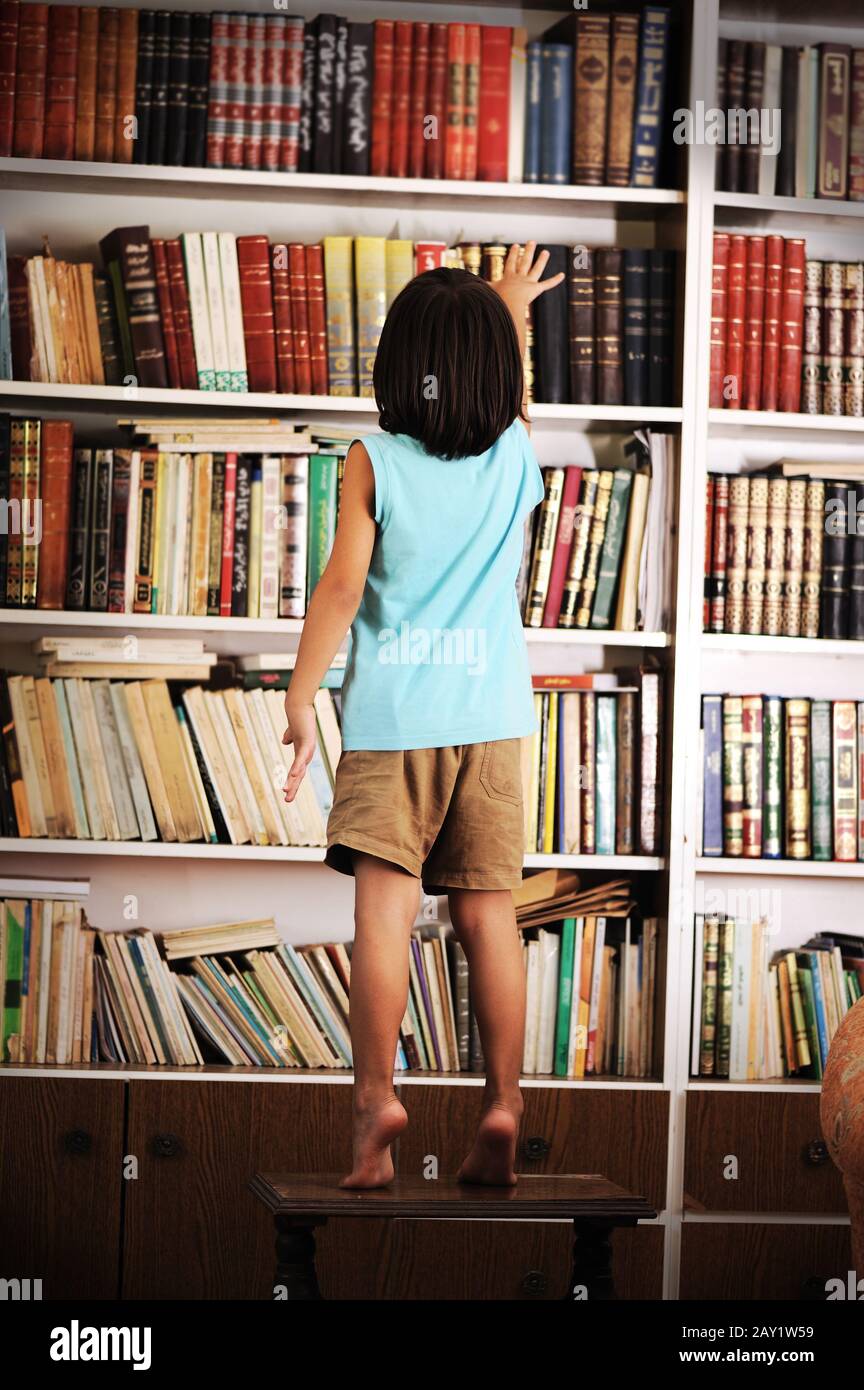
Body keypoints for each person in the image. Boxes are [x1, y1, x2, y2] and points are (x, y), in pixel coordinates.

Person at [282, 243, 564, 1188]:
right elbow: (506, 395)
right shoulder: (519, 454)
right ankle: (503, 1103)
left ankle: (375, 1108)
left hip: (395, 721)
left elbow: (340, 586)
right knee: (491, 915)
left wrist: (298, 690)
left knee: (385, 919)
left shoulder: (375, 461)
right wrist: (511, 310)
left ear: (397, 368)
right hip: (493, 721)